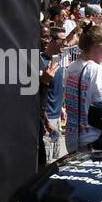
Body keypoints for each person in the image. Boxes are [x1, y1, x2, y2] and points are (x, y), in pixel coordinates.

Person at [63, 23, 102, 153]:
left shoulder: (72, 67)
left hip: (72, 140)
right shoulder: (97, 71)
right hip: (94, 142)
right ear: (95, 46)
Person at [38, 26, 66, 165]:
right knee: (47, 163)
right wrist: (46, 120)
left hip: (57, 118)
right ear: (52, 41)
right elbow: (39, 94)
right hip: (47, 121)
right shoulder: (39, 62)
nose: (65, 43)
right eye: (62, 40)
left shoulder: (57, 60)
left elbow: (56, 88)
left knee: (57, 161)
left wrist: (61, 108)